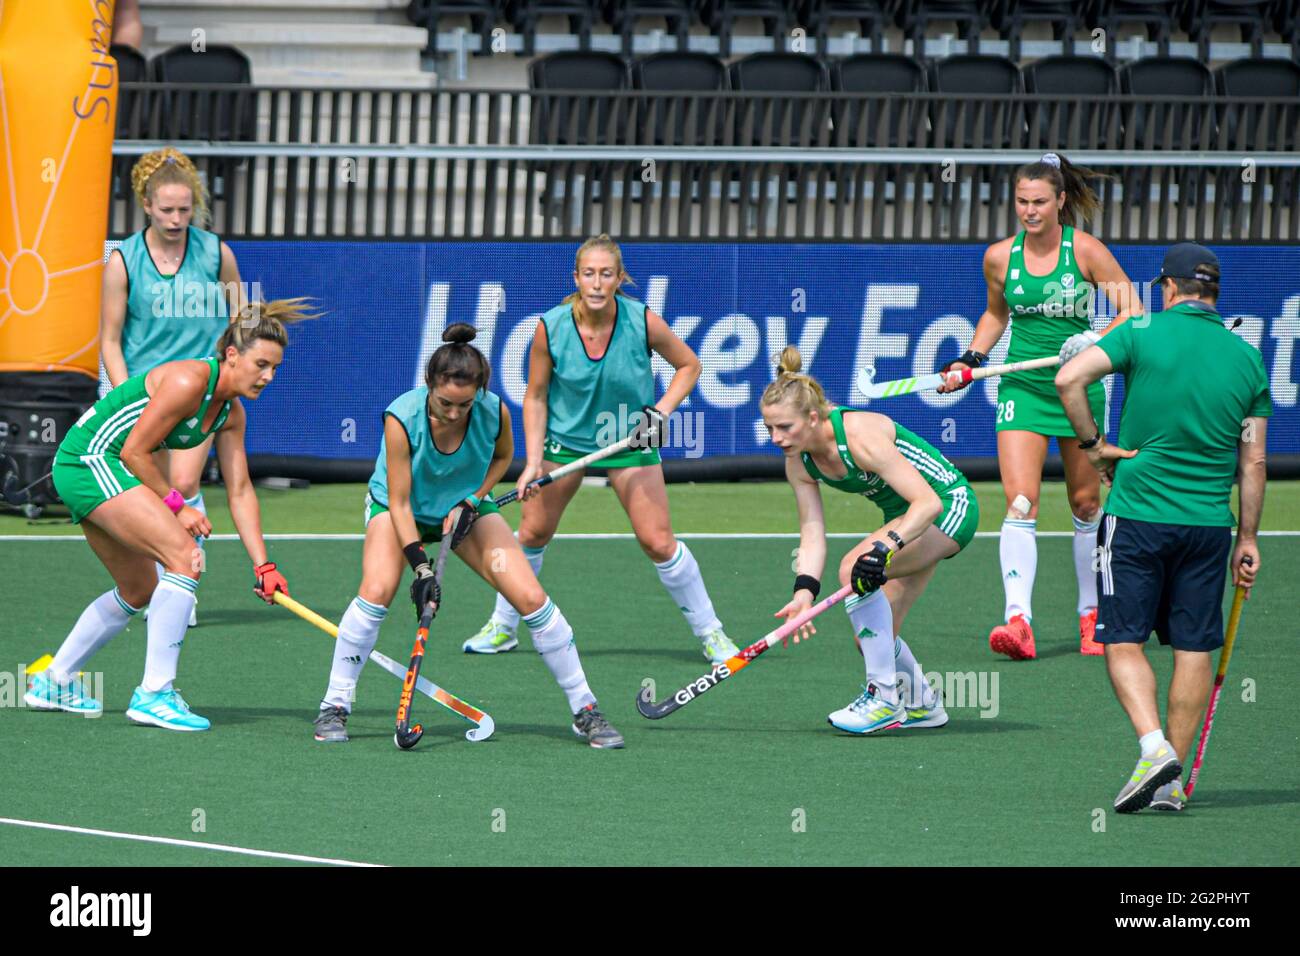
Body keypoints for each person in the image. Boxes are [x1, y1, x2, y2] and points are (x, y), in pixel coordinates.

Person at [313, 324, 624, 749]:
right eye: (445, 403)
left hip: (465, 509)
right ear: (428, 386)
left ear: (479, 392)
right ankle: (335, 705)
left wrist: (475, 498)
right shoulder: (401, 419)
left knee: (530, 597)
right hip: (398, 509)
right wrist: (421, 569)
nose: (455, 413)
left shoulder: (495, 412)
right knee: (378, 590)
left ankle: (584, 708)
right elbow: (401, 504)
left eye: (465, 404)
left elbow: (503, 457)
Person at [1056, 243, 1268, 813]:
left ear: (1169, 288)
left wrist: (1093, 446)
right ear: (1214, 294)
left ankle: (1154, 751)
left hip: (1138, 516)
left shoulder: (1142, 330)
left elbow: (1068, 380)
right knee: (1194, 646)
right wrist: (1247, 538)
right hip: (1207, 526)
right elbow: (1252, 462)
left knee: (1122, 638)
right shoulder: (1247, 358)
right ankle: (1169, 783)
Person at [26, 301, 306, 731]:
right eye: (261, 364)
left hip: (102, 468)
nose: (268, 376)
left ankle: (53, 680)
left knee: (139, 588)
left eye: (275, 368)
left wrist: (263, 564)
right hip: (90, 461)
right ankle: (155, 693)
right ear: (232, 355)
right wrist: (176, 508)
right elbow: (134, 451)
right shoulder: (187, 380)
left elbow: (241, 490)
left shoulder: (230, 414)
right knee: (184, 556)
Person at [462, 234, 739, 664]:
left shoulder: (642, 320)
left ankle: (712, 633)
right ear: (576, 277)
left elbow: (690, 365)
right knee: (533, 533)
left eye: (605, 274)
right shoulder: (549, 327)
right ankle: (504, 626)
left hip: (630, 440)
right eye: (588, 274)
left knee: (658, 541)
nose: (596, 283)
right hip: (566, 443)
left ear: (619, 278)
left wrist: (661, 413)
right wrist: (533, 461)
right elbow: (535, 396)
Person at [938, 151, 1144, 660]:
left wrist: (1094, 342)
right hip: (1023, 391)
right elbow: (994, 314)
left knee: (1085, 504)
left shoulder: (1087, 251)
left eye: (1039, 202)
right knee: (1021, 502)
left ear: (1061, 202)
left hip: (1079, 389)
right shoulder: (998, 257)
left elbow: (1133, 311)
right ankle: (1018, 621)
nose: (1029, 212)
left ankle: (1091, 615)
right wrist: (970, 357)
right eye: (1021, 202)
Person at [761, 347, 980, 734]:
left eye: (785, 428)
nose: (776, 439)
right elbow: (812, 530)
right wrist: (803, 593)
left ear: (813, 417)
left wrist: (885, 548)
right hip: (905, 520)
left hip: (947, 507)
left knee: (853, 569)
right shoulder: (799, 461)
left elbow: (927, 502)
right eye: (770, 429)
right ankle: (922, 704)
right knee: (875, 639)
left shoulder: (860, 436)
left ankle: (882, 699)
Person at [100, 147, 246, 627]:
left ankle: (183, 579)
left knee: (182, 484)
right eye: (167, 209)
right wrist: (125, 399)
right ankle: (173, 574)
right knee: (155, 487)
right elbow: (111, 341)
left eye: (185, 209)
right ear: (146, 204)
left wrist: (239, 374)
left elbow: (241, 322)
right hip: (147, 396)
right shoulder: (124, 261)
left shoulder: (216, 253)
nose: (177, 218)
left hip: (200, 393)